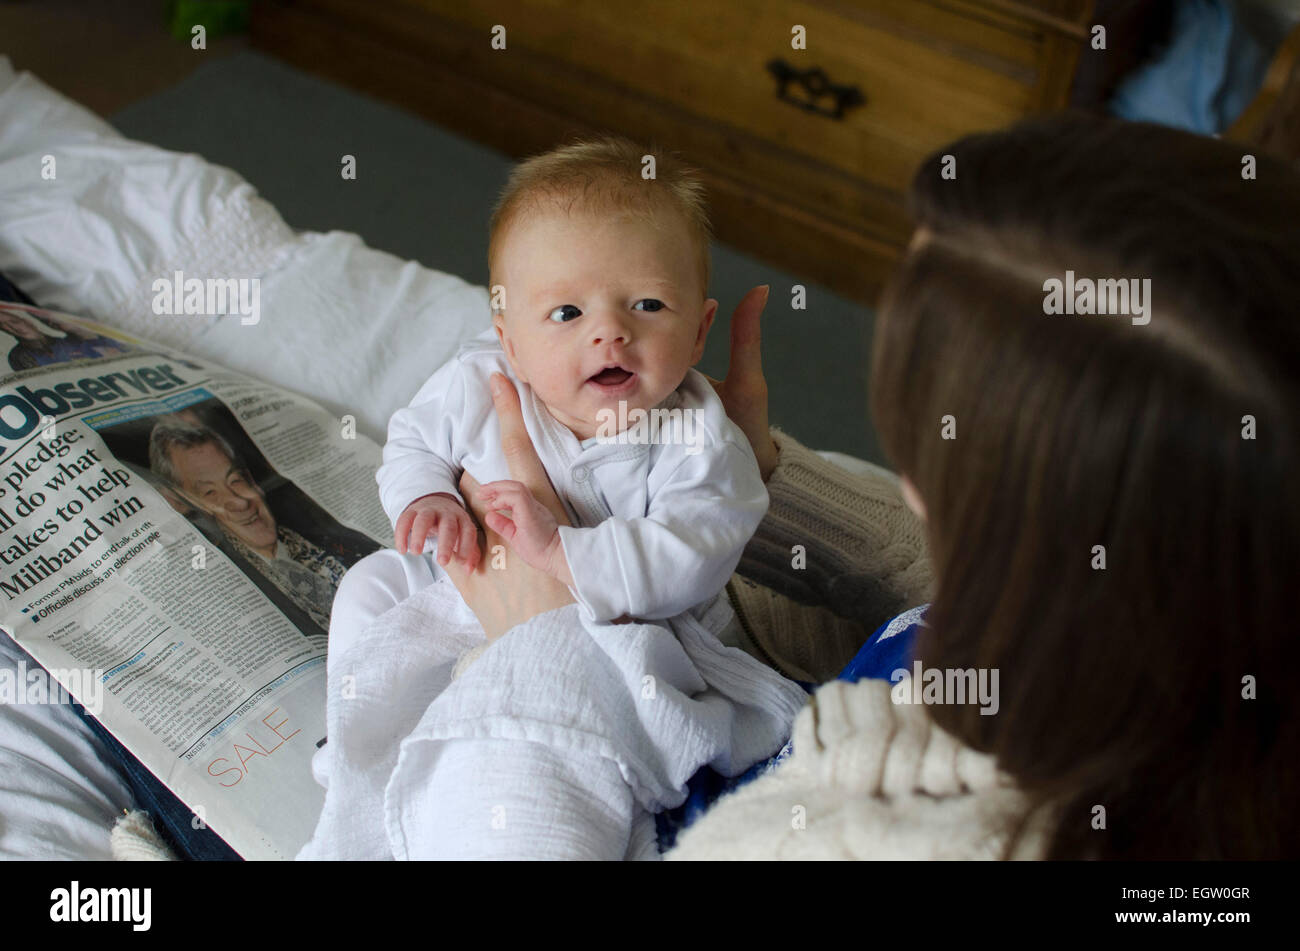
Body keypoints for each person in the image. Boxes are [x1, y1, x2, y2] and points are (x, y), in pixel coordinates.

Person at [431, 113, 1299, 860]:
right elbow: (940, 580)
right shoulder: (1184, 624)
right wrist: (760, 477)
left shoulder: (896, 835)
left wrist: (542, 643)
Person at [308, 137, 808, 859]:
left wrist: (561, 551)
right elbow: (414, 440)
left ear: (700, 329)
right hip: (464, 591)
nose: (611, 330)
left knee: (653, 706)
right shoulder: (481, 381)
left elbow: (689, 553)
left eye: (647, 303)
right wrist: (429, 497)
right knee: (369, 583)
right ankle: (358, 742)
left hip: (633, 634)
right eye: (567, 312)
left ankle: (524, 756)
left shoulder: (700, 439)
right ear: (507, 337)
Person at [148, 418, 348, 635]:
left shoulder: (326, 536)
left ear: (252, 481)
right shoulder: (225, 590)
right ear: (182, 504)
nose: (240, 502)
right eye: (210, 493)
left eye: (235, 480)